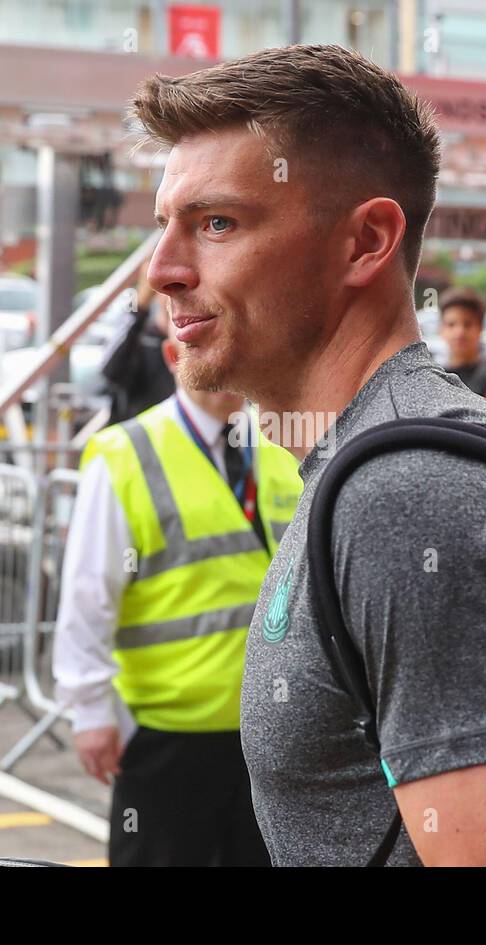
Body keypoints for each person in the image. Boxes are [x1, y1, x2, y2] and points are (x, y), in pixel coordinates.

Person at [131, 44, 486, 866]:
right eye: (166, 228)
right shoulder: (374, 464)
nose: (163, 272)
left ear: (366, 241)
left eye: (217, 223)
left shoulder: (413, 495)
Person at [52, 321, 303, 866]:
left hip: (272, 729)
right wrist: (90, 710)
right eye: (210, 347)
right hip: (168, 735)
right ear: (173, 355)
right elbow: (88, 595)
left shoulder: (282, 443)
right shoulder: (124, 453)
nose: (230, 369)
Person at [99, 263, 176, 425]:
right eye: (167, 286)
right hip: (139, 436)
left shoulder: (197, 339)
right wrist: (140, 306)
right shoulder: (139, 336)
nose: (173, 295)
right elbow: (110, 371)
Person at [437, 286, 486, 392]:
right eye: (451, 324)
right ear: (441, 330)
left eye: (467, 324)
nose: (460, 332)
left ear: (481, 328)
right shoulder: (435, 376)